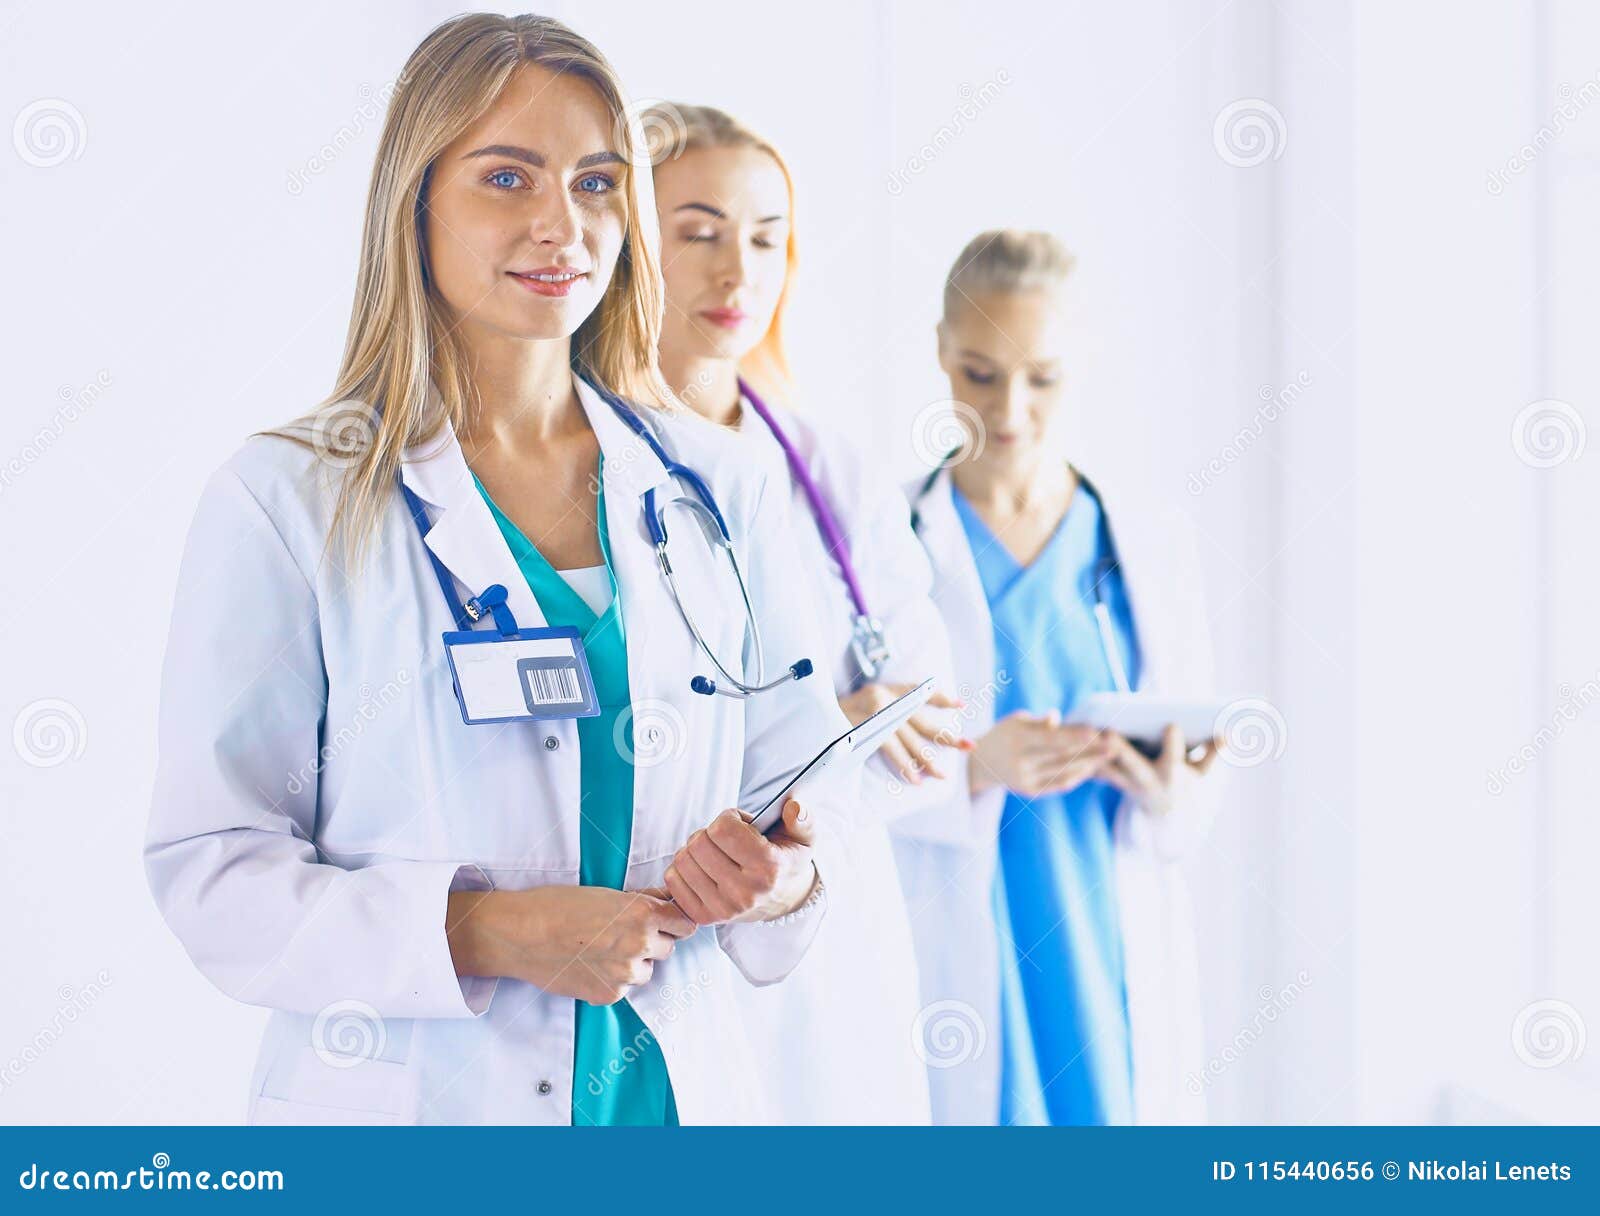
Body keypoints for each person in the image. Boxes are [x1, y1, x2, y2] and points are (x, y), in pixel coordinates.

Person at [144, 12, 853, 1127]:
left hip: (671, 1101)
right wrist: (488, 930)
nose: (560, 224)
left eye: (596, 182)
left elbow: (815, 797)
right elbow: (213, 872)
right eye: (507, 177)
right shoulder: (291, 499)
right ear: (414, 202)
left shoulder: (721, 485)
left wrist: (784, 878)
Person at [647, 102, 963, 1123]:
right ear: (625, 248)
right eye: (696, 233)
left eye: (766, 237)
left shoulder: (829, 470)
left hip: (831, 939)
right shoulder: (569, 464)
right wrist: (843, 722)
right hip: (659, 940)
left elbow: (932, 736)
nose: (736, 272)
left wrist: (830, 753)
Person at [890, 229, 1221, 1126]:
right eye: (979, 373)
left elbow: (1197, 791)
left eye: (1042, 377)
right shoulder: (891, 547)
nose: (1010, 411)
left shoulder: (1145, 542)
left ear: (1082, 365)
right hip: (968, 933)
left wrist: (1170, 791)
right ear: (939, 356)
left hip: (1106, 932)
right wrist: (975, 766)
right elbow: (837, 783)